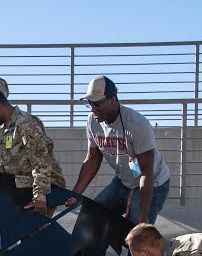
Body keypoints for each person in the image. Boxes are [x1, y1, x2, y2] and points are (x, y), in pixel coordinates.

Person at [65, 76, 172, 225]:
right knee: (91, 218)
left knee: (136, 233)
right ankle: (93, 248)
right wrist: (75, 194)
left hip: (152, 183)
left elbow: (146, 174)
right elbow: (92, 159)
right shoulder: (93, 121)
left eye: (97, 104)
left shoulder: (137, 124)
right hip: (123, 181)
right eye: (90, 103)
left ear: (112, 100)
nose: (93, 109)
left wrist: (142, 219)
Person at [0, 89, 67, 216]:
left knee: (35, 232)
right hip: (22, 185)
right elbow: (15, 164)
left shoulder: (25, 123)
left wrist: (40, 196)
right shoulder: (8, 129)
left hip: (42, 188)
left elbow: (41, 160)